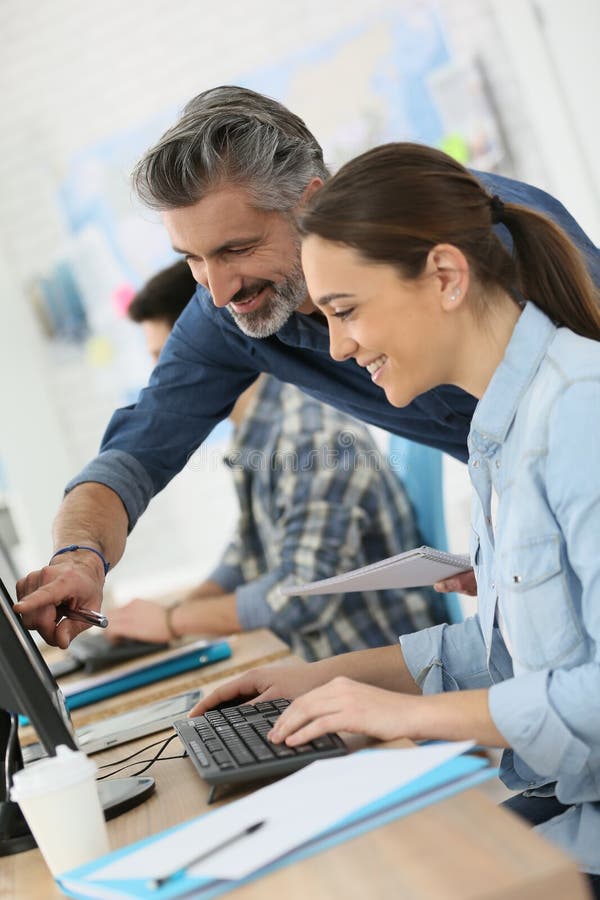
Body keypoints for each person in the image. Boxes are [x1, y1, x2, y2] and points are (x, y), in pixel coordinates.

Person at [14, 86, 600, 649]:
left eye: (236, 249)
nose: (217, 292)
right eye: (192, 259)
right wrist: (79, 559)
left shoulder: (483, 236)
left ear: (309, 202)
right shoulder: (229, 315)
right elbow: (137, 451)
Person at [189, 143, 600, 892]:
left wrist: (405, 716)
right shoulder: (499, 432)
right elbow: (520, 656)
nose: (339, 347)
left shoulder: (580, 410)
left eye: (345, 311)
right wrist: (324, 682)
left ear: (445, 276)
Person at [108, 260, 441, 659]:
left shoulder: (311, 437)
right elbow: (249, 543)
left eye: (168, 356)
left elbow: (302, 594)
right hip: (340, 676)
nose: (162, 377)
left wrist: (172, 623)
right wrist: (177, 610)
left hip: (394, 685)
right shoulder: (260, 429)